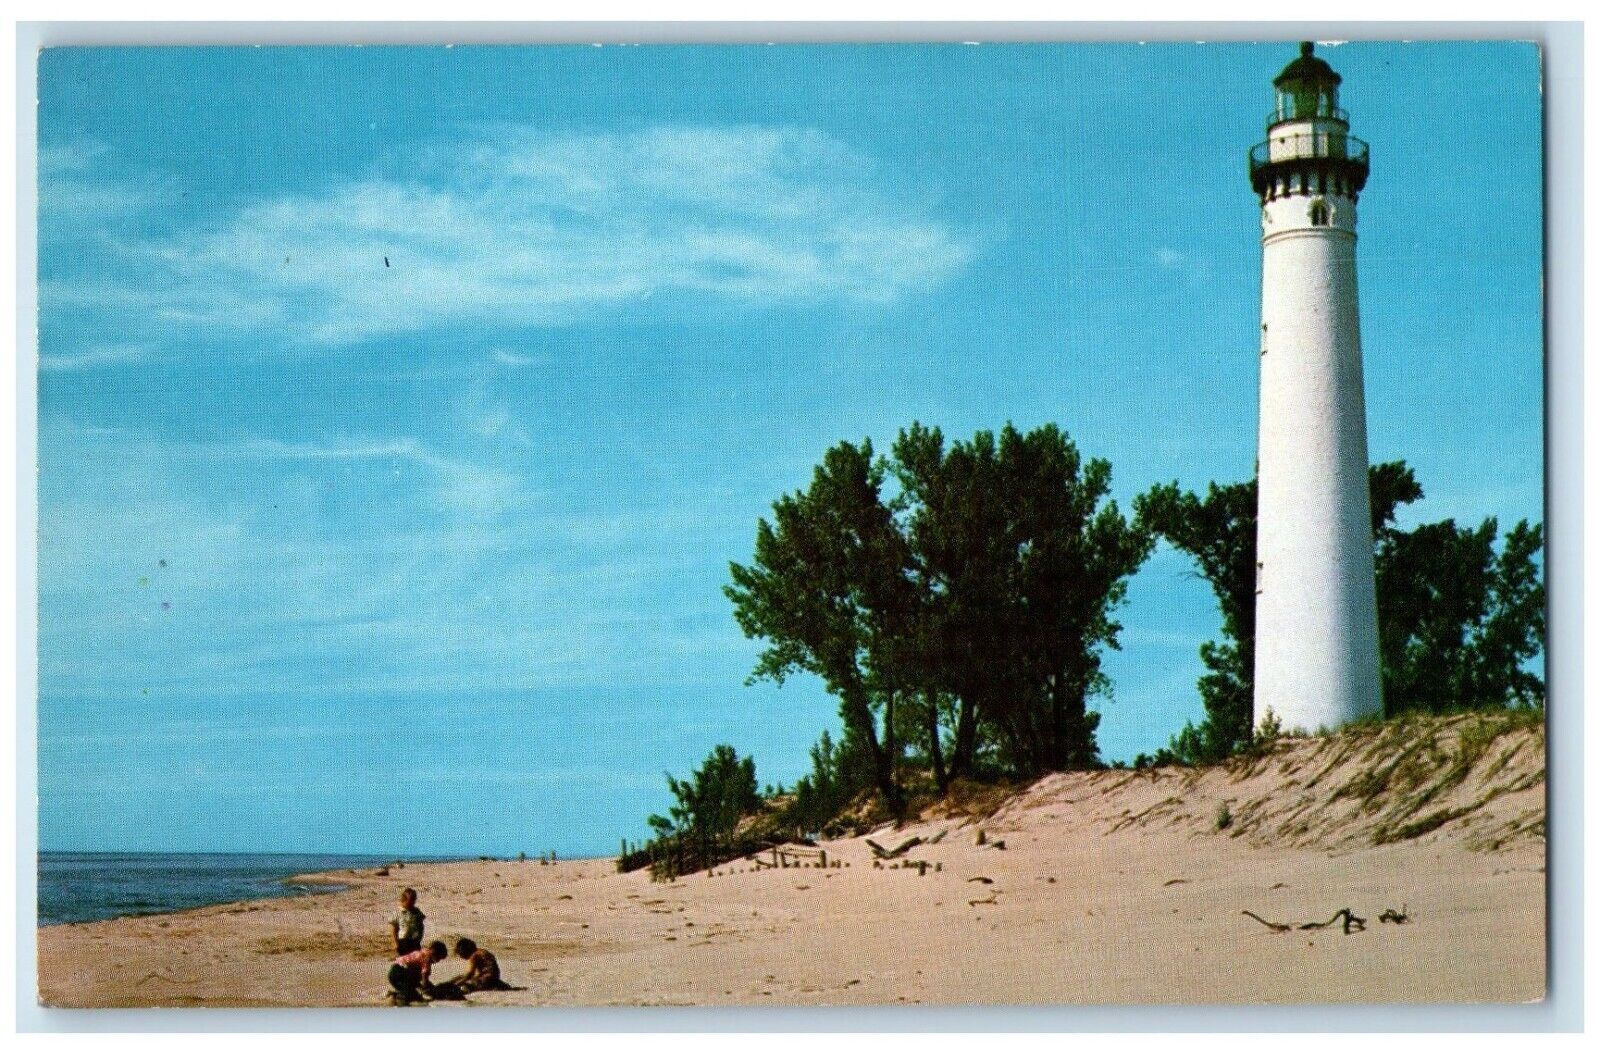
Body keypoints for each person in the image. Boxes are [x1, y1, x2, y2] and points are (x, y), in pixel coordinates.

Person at [429, 937, 511, 999]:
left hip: (486, 980)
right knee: (459, 977)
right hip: (494, 978)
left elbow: (469, 974)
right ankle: (449, 983)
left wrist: (456, 985)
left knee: (463, 985)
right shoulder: (482, 951)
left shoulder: (474, 956)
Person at [386, 940, 447, 1006]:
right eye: (438, 958)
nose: (437, 961)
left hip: (396, 971)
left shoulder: (423, 952)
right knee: (413, 995)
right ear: (434, 953)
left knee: (413, 985)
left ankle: (399, 993)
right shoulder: (427, 958)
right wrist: (428, 988)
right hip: (399, 972)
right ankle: (397, 997)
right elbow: (424, 976)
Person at [390, 887, 425, 955]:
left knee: (415, 961)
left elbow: (421, 926)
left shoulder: (416, 912)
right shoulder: (398, 912)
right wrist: (395, 943)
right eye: (409, 902)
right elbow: (394, 929)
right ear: (403, 900)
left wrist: (419, 938)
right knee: (404, 961)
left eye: (413, 901)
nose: (412, 904)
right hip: (403, 941)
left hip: (415, 941)